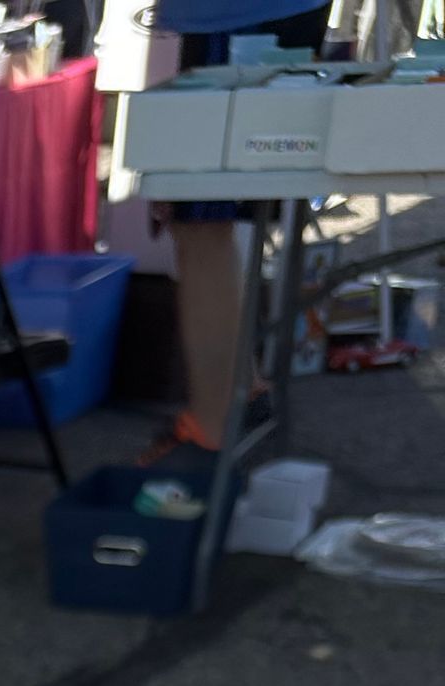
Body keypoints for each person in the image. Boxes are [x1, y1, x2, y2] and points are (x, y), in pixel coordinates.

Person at [143, 2, 331, 459]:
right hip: (255, 15)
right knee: (211, 213)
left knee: (199, 218)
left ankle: (211, 427)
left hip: (235, 17)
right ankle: (239, 390)